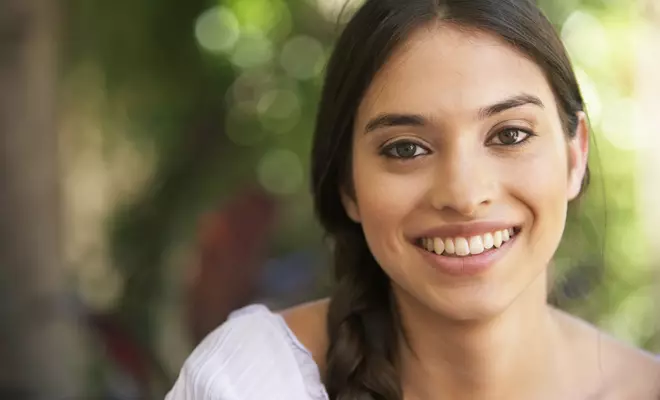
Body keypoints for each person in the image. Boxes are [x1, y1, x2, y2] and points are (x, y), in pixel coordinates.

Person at [165, 0, 660, 398]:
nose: (464, 196)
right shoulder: (253, 383)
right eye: (406, 148)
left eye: (509, 135)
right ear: (349, 186)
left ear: (575, 157)